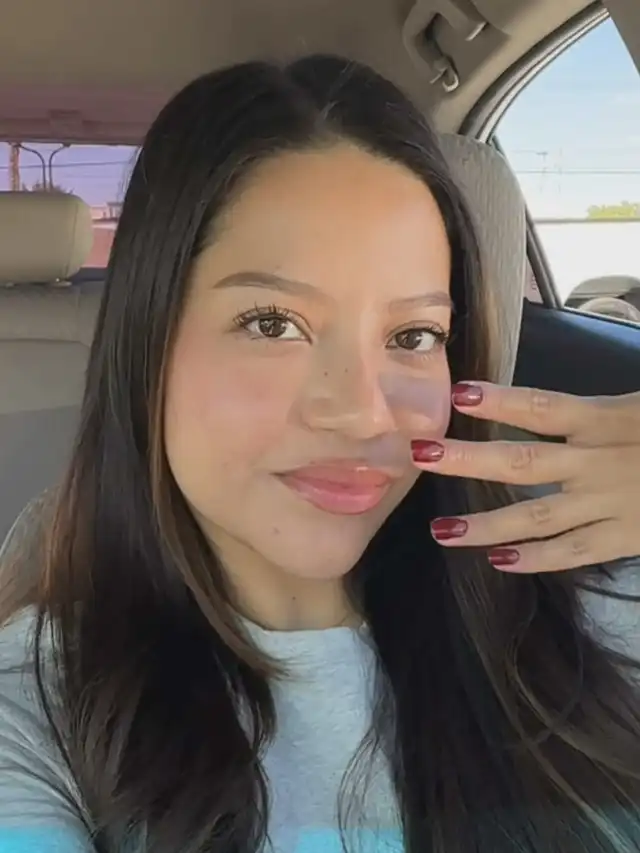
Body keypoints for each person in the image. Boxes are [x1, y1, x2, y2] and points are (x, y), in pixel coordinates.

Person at [0, 54, 639, 853]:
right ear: (148, 341)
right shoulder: (38, 709)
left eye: (414, 335)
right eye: (273, 323)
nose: (362, 412)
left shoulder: (587, 584)